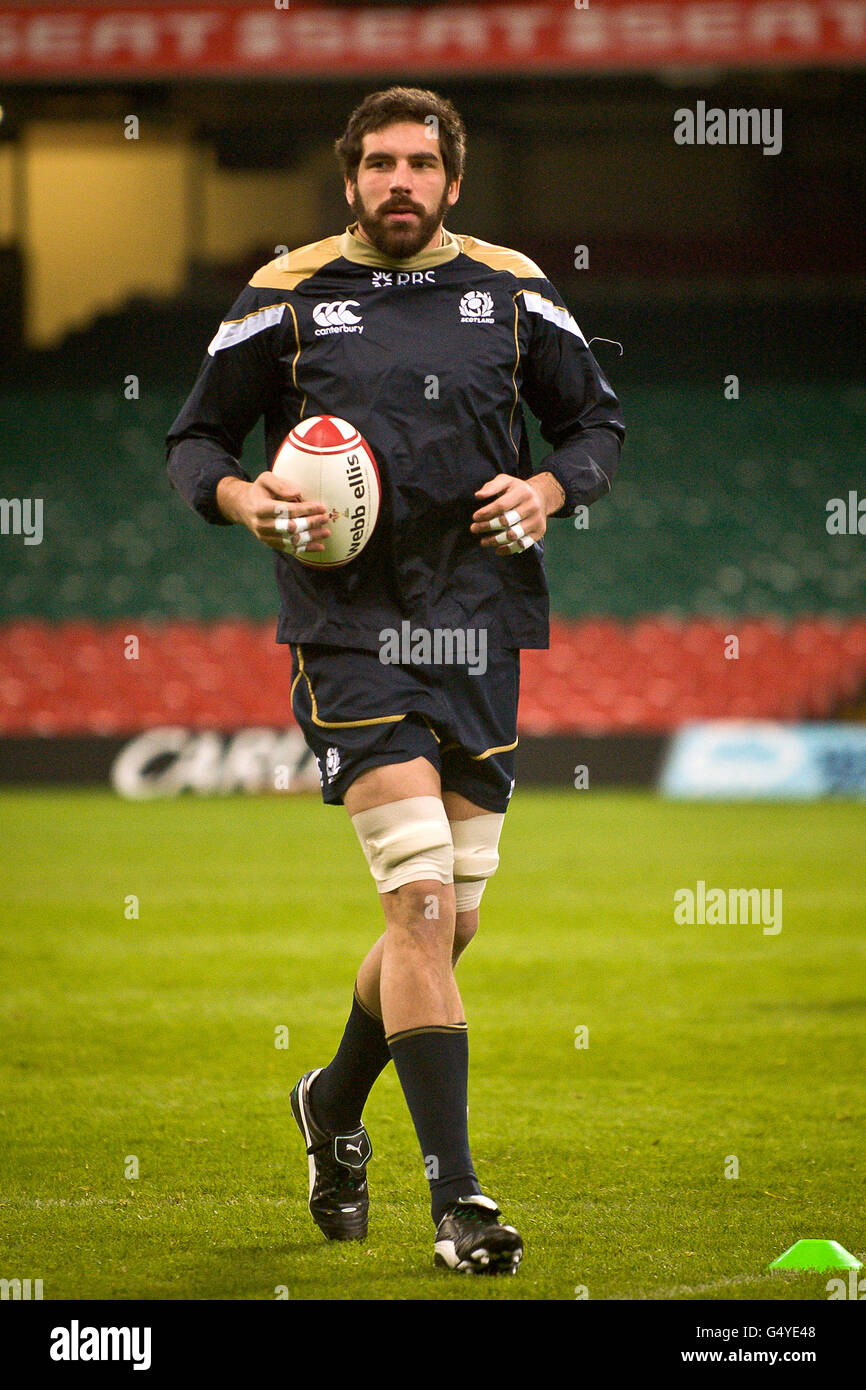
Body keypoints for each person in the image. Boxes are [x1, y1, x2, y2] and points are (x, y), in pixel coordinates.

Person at [166, 86, 624, 1276]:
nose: (399, 182)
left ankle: (330, 1099)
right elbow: (195, 441)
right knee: (417, 905)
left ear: (452, 179)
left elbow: (594, 429)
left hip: (479, 630)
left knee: (452, 921)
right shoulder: (286, 292)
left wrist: (547, 492)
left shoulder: (516, 288)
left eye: (421, 163)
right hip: (350, 633)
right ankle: (459, 1201)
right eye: (378, 164)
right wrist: (241, 497)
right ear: (349, 177)